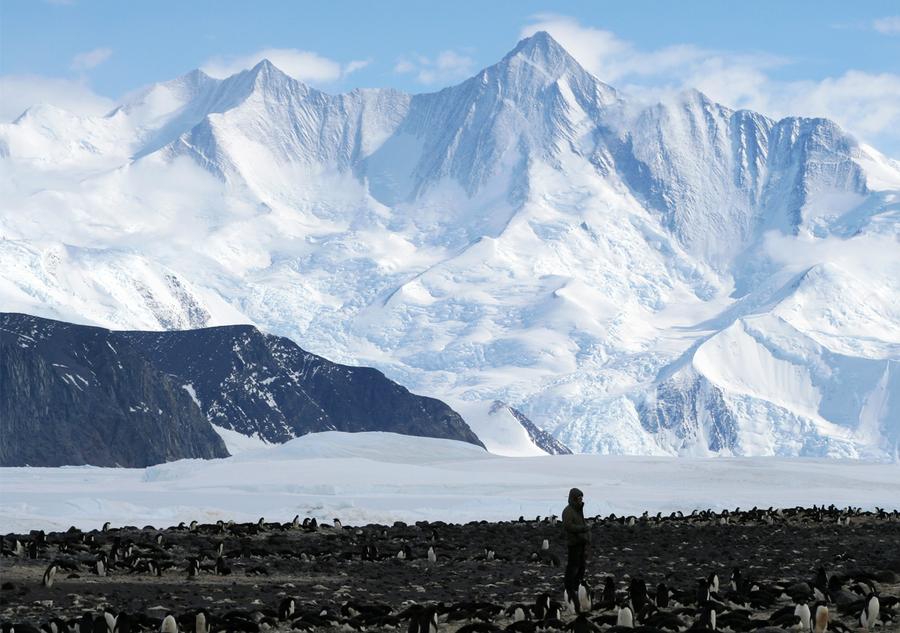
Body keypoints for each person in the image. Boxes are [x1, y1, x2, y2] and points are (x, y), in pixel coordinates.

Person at [562, 487, 590, 610]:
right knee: (572, 567)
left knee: (581, 566)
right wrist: (583, 529)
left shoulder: (578, 510)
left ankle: (576, 587)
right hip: (574, 543)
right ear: (573, 498)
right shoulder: (568, 511)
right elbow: (568, 526)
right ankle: (569, 589)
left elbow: (580, 524)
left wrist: (587, 536)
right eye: (579, 497)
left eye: (581, 497)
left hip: (581, 542)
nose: (581, 499)